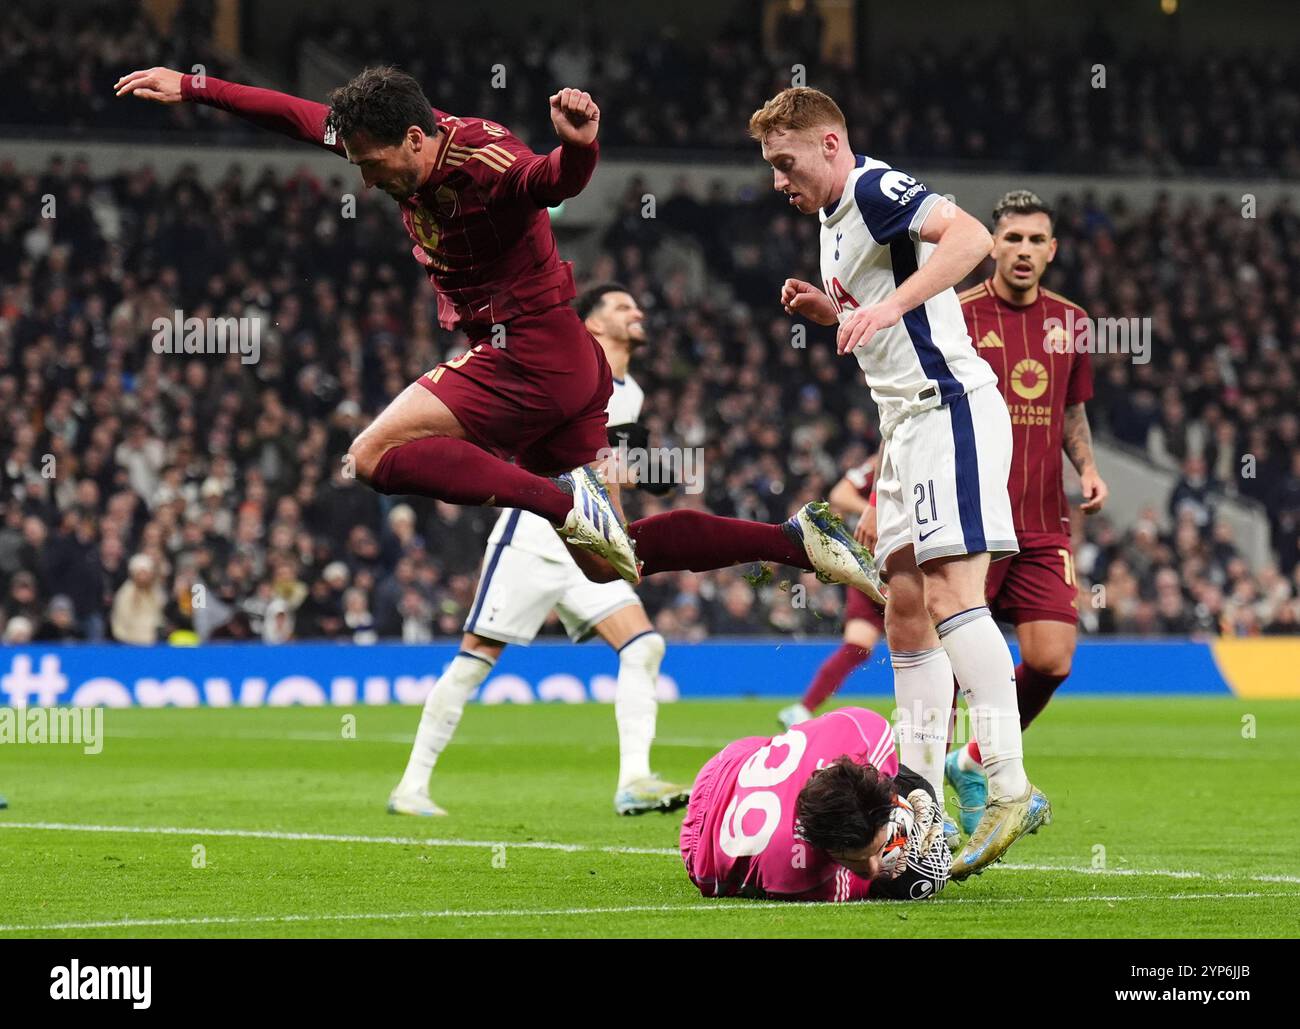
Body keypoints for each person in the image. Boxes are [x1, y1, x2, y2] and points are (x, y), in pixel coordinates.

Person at [115, 66, 882, 598]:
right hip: (563, 361)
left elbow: (548, 181)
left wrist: (581, 146)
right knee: (619, 560)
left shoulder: (485, 160)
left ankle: (558, 501)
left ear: (417, 139)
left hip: (531, 351)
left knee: (373, 456)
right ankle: (794, 541)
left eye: (374, 166)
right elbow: (293, 115)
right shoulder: (382, 137)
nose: (365, 182)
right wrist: (194, 88)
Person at [750, 86, 1048, 878]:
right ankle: (920, 791)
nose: (779, 180)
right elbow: (881, 301)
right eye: (771, 167)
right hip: (901, 430)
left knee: (953, 600)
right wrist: (832, 309)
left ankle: (1009, 783)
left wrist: (890, 310)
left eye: (786, 162)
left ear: (829, 143)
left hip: (948, 408)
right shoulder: (830, 222)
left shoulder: (873, 186)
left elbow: (972, 238)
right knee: (906, 609)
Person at [390, 285, 688, 817]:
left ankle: (634, 780)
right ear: (592, 325)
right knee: (476, 660)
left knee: (644, 648)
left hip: (586, 540)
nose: (637, 311)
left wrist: (646, 480)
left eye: (636, 304)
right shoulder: (570, 374)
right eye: (622, 306)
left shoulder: (632, 392)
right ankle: (411, 786)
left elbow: (610, 466)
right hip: (533, 532)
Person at [943, 190, 1108, 833]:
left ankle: (975, 759)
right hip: (974, 518)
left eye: (1036, 241)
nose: (1024, 251)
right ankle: (924, 788)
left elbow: (1071, 408)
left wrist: (1087, 467)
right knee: (951, 665)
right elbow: (921, 403)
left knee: (1051, 660)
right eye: (1012, 239)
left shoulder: (1073, 320)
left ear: (1052, 251)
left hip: (1043, 523)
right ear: (992, 245)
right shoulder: (956, 315)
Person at [680, 706, 951, 901]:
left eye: (876, 850)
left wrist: (918, 797)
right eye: (856, 862)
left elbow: (887, 780)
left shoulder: (865, 730)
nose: (871, 868)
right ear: (821, 845)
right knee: (912, 879)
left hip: (737, 757)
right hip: (701, 844)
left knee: (911, 784)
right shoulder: (804, 873)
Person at [778, 454, 884, 728]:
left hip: (913, 566)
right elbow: (840, 493)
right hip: (872, 566)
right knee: (858, 647)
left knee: (925, 647)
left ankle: (925, 721)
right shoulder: (885, 457)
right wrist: (875, 512)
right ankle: (803, 709)